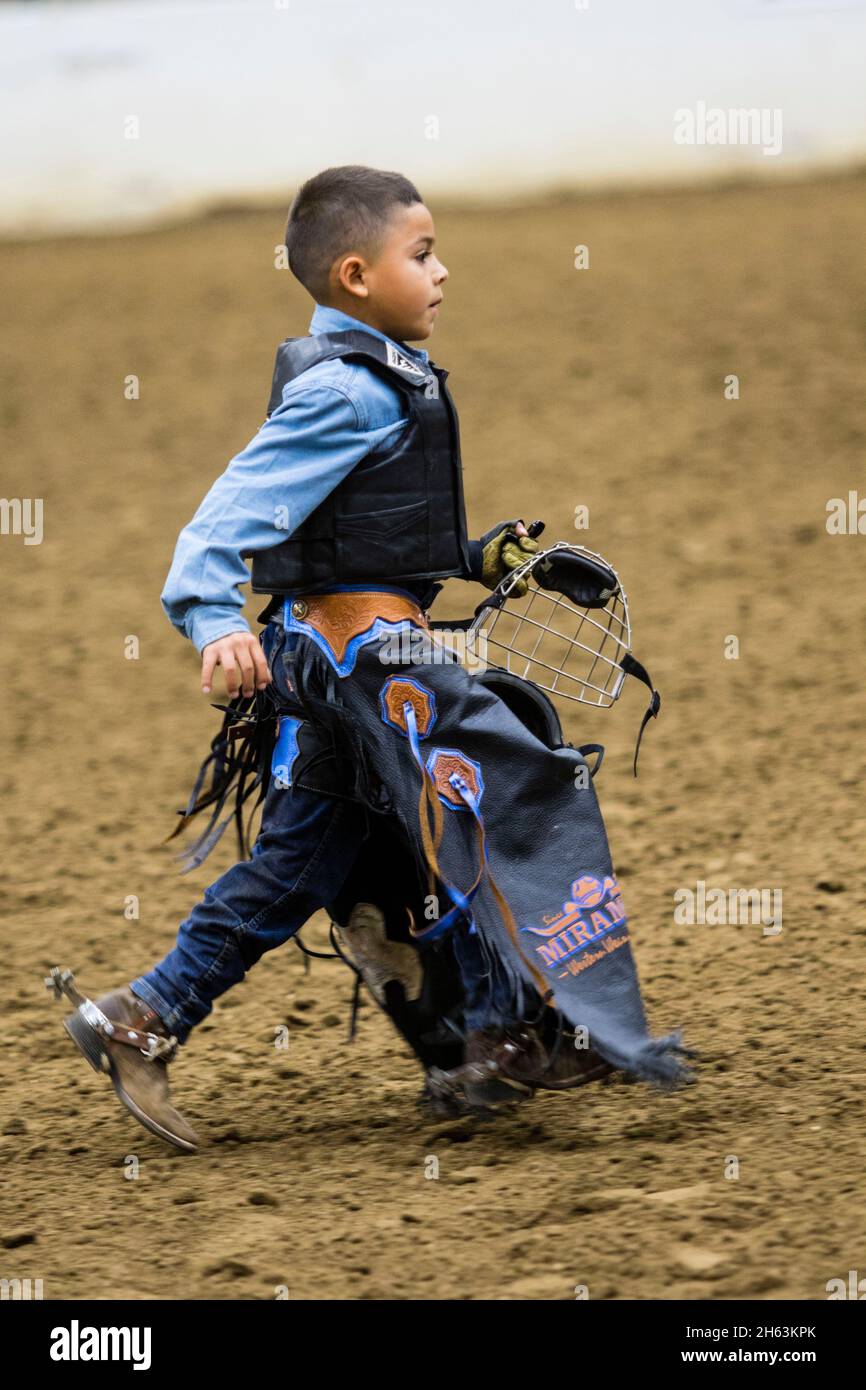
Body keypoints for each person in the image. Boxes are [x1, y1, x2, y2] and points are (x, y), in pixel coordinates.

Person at [53, 165, 567, 1152]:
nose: (443, 271)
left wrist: (469, 557)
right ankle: (489, 1037)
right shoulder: (343, 392)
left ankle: (473, 1048)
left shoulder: (379, 379)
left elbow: (360, 538)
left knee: (336, 858)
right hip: (334, 669)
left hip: (358, 660)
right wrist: (213, 621)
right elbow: (223, 516)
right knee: (379, 842)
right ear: (354, 275)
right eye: (422, 254)